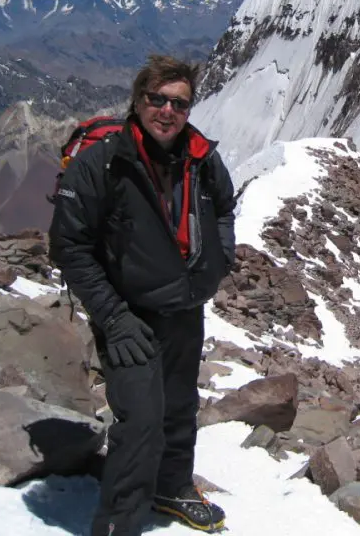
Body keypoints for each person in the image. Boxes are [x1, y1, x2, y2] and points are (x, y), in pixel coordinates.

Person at [49, 55, 236, 536]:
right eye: (158, 99)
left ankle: (171, 488)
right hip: (127, 312)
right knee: (141, 421)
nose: (167, 111)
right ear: (138, 100)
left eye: (179, 103)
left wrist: (219, 259)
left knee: (178, 407)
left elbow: (223, 209)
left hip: (185, 306)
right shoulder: (103, 160)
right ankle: (120, 523)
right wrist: (112, 317)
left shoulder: (201, 157)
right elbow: (68, 245)